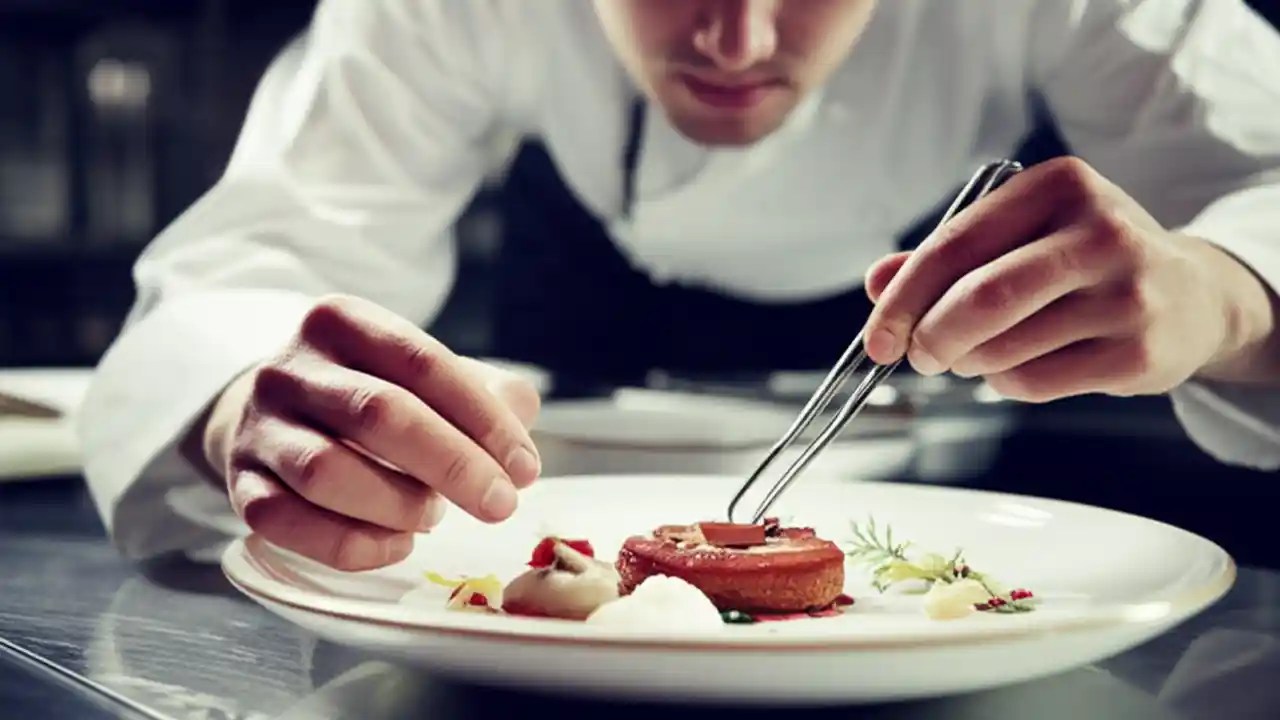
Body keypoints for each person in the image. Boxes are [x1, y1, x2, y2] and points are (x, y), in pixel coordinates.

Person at [78, 0, 1280, 571]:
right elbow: (258, 261)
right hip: (574, 348)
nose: (738, 41)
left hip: (951, 425)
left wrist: (1225, 293)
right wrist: (249, 403)